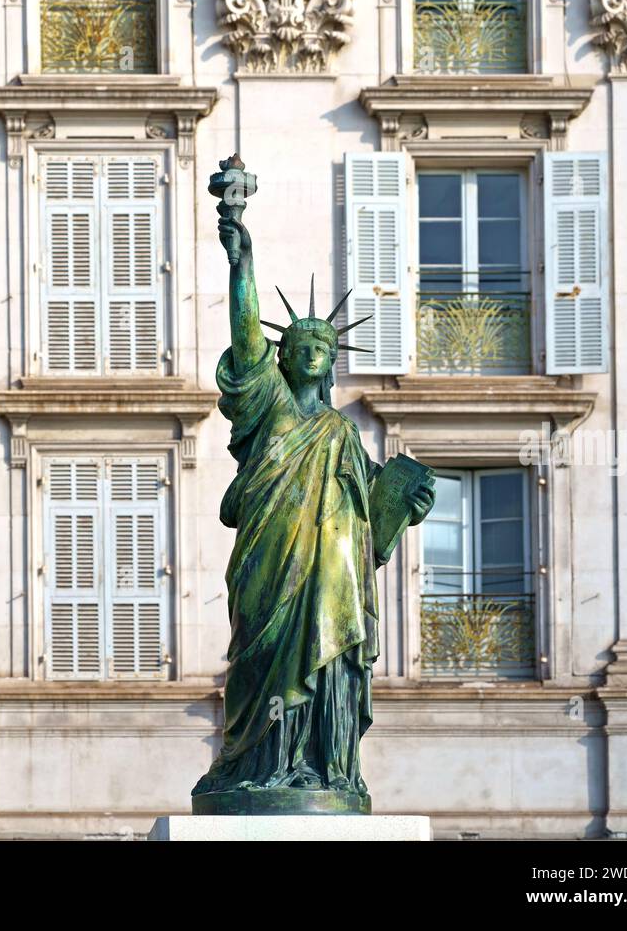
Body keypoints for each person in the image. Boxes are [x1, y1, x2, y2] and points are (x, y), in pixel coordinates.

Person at [191, 202, 434, 813]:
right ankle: (256, 763)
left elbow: (371, 523)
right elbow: (247, 338)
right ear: (286, 357)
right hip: (267, 568)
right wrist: (241, 260)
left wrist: (409, 503)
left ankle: (324, 768)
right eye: (300, 343)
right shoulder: (268, 406)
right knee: (261, 659)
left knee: (328, 666)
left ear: (331, 363)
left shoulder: (344, 435)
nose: (311, 351)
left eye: (322, 345)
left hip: (331, 579)